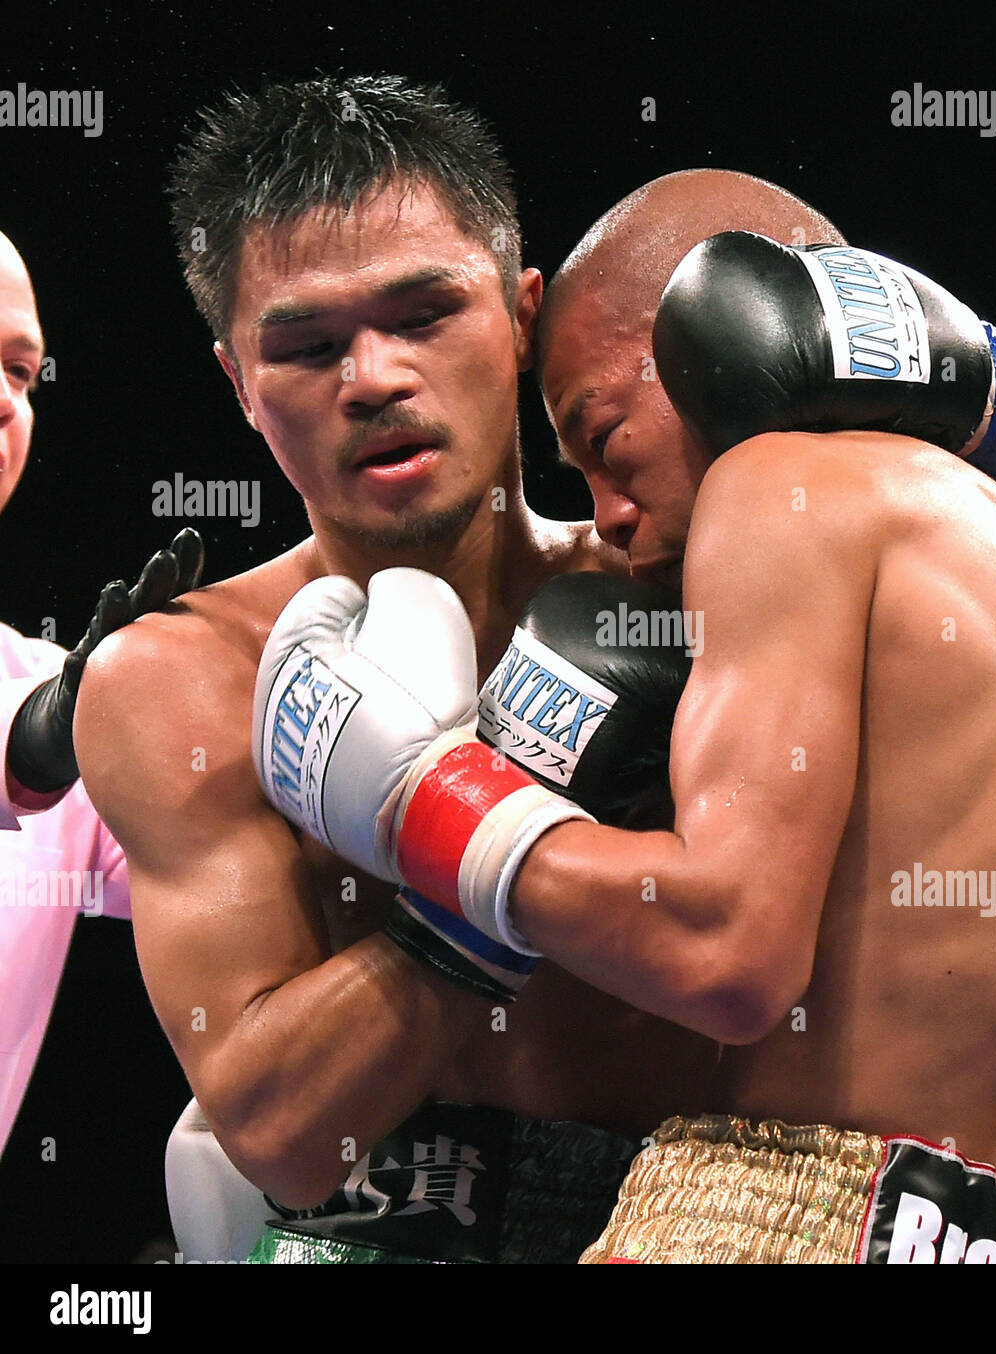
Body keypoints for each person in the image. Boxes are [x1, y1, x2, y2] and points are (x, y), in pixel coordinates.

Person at [255, 169, 996, 1263]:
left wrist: (418, 798)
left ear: (705, 348)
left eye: (607, 442)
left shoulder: (780, 492)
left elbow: (724, 951)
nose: (611, 521)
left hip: (772, 1217)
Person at [73, 76, 718, 1265]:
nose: (370, 376)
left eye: (422, 315)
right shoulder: (176, 679)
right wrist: (494, 835)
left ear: (524, 315)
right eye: (309, 345)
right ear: (237, 384)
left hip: (698, 1217)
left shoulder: (688, 584)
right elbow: (277, 1132)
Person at [0, 229, 200, 1164]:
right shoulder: (43, 713)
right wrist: (27, 749)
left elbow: (217, 857)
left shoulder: (52, 689)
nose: (6, 402)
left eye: (19, 370)